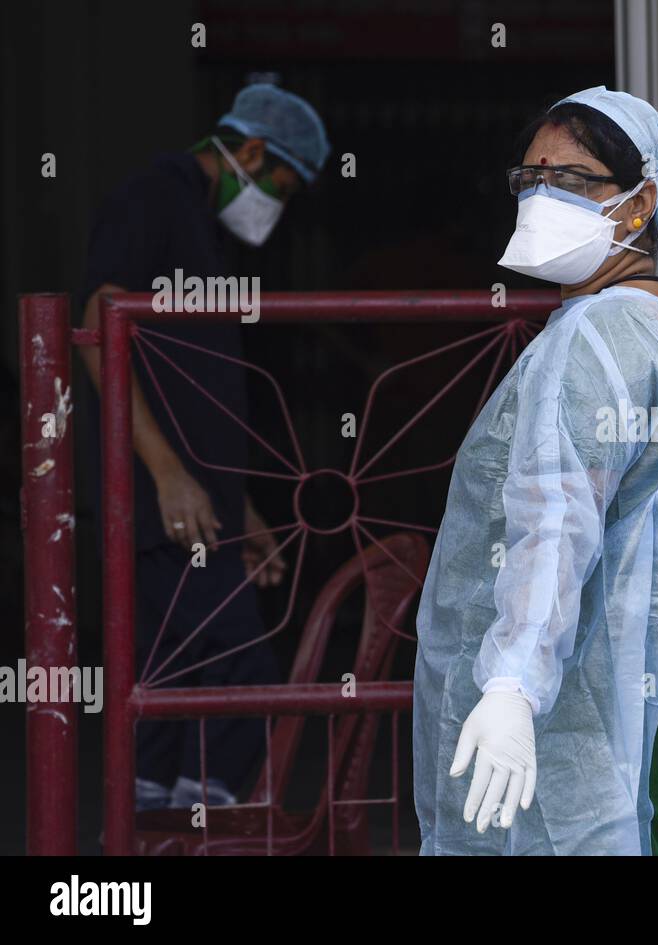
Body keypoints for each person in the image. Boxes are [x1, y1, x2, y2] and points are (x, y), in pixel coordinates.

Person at [413, 87, 658, 855]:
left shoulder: (591, 337)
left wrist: (511, 683)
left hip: (576, 707)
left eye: (569, 180)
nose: (539, 197)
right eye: (529, 179)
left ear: (641, 204)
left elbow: (557, 522)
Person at [78, 84, 330, 810]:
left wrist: (240, 507)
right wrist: (165, 476)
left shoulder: (202, 223)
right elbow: (100, 326)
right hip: (159, 499)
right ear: (250, 152)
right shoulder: (152, 195)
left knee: (172, 678)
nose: (276, 206)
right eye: (280, 184)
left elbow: (195, 388)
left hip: (192, 500)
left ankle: (160, 822)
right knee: (242, 669)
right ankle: (215, 819)